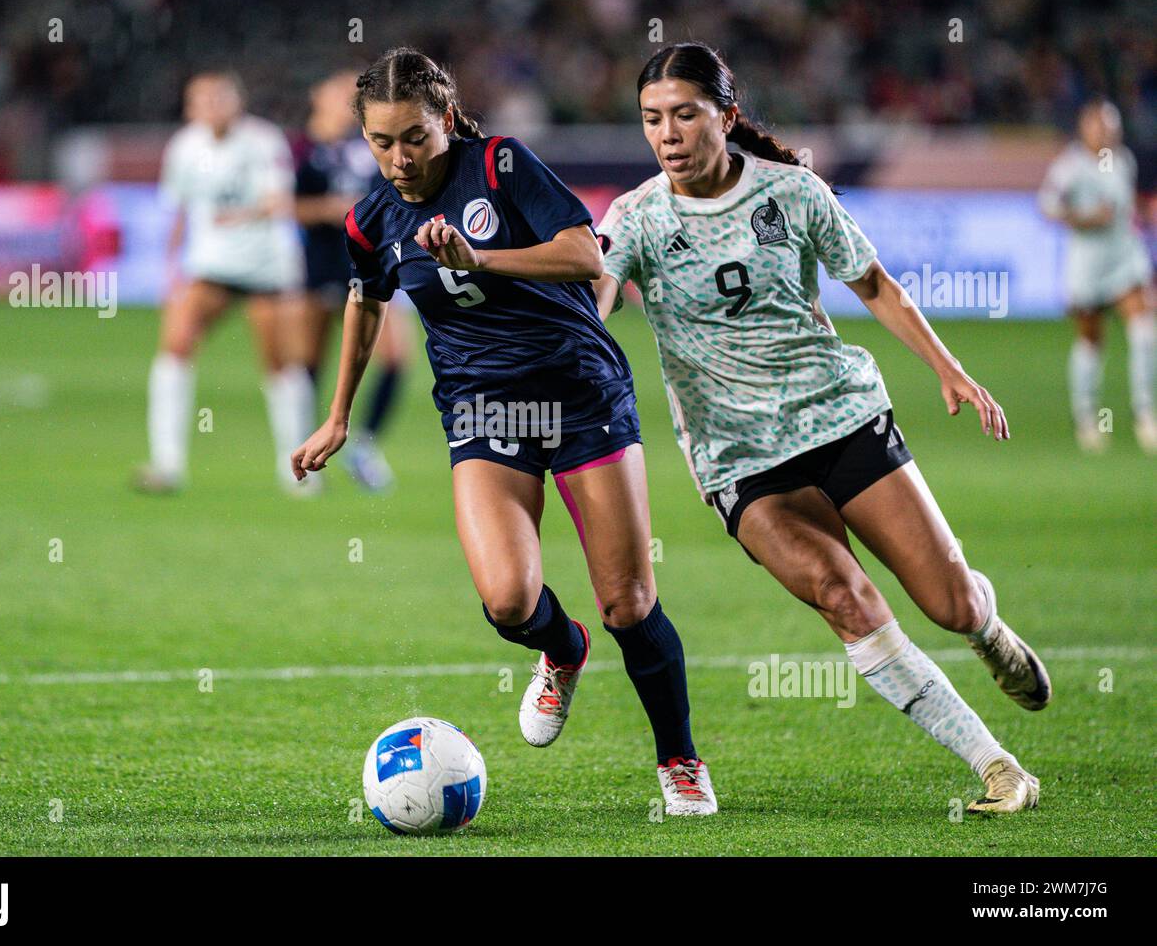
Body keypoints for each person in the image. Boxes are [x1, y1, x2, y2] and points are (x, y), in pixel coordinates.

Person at [594, 42, 1050, 814]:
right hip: (738, 459)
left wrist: (949, 369)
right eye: (651, 120)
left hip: (840, 419)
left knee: (950, 606)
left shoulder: (794, 193)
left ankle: (988, 625)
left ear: (726, 116)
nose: (667, 134)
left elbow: (872, 282)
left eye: (684, 115)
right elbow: (597, 293)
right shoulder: (637, 218)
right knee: (846, 599)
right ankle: (999, 767)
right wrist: (579, 337)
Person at [293, 47, 716, 814]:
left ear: (446, 121)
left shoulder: (500, 166)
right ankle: (563, 650)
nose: (399, 158)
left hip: (580, 393)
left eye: (414, 137)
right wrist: (338, 415)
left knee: (628, 602)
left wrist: (479, 256)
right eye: (381, 142)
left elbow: (587, 256)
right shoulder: (372, 219)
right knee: (509, 601)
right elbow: (365, 302)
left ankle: (679, 760)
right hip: (484, 409)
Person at [136, 70, 314, 494]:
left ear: (238, 101)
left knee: (280, 365)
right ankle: (167, 465)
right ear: (190, 107)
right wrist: (171, 270)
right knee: (174, 348)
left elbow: (278, 200)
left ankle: (299, 471)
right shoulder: (183, 146)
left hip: (267, 268)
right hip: (211, 267)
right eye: (203, 99)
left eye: (220, 98)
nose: (212, 106)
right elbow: (178, 211)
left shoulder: (264, 141)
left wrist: (242, 216)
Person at [294, 69, 412, 491]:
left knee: (397, 359)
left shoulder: (369, 143)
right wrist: (330, 209)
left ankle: (364, 446)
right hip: (321, 263)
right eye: (339, 90)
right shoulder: (299, 148)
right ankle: (305, 451)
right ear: (317, 95)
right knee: (311, 363)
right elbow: (280, 204)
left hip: (373, 266)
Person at [1039, 98, 1156, 454]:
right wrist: (1087, 218)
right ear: (1084, 128)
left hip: (1125, 257)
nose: (1106, 132)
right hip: (1087, 263)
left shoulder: (1123, 160)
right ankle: (1087, 416)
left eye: (1111, 125)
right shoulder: (1070, 167)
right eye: (1099, 125)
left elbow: (1125, 206)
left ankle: (1145, 413)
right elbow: (1048, 206)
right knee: (1092, 341)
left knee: (1145, 330)